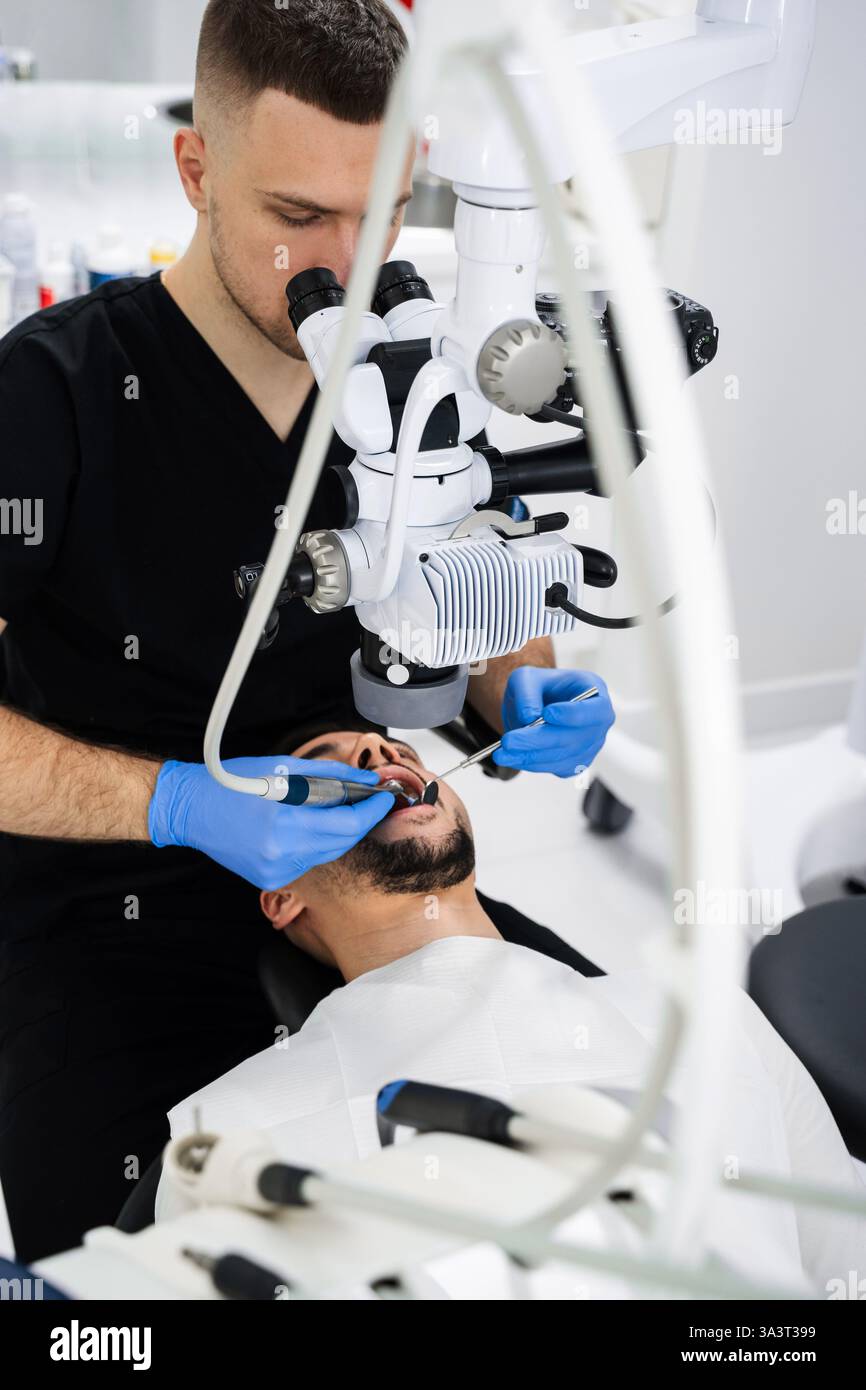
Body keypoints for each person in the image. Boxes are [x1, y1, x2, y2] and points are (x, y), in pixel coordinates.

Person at [0, 0, 614, 1261]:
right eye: (298, 220)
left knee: (588, 1138)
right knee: (149, 1244)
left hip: (371, 870)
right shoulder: (51, 394)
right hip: (113, 883)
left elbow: (466, 576)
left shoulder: (413, 359)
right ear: (197, 170)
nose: (352, 260)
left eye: (382, 212)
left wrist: (519, 688)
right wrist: (179, 800)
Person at [160, 717, 866, 1296]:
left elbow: (846, 1252)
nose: (378, 752)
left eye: (399, 750)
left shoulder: (703, 1014)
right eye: (326, 766)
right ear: (282, 893)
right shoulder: (220, 1133)